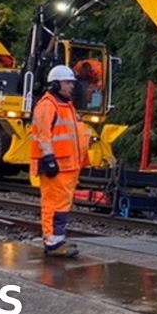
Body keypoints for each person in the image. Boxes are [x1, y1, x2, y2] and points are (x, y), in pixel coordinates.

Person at [30, 65, 90, 258]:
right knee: (53, 204)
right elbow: (43, 135)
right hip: (57, 165)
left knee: (61, 205)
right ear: (55, 84)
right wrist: (49, 159)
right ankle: (53, 241)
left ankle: (57, 238)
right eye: (67, 83)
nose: (71, 86)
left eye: (72, 83)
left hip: (68, 166)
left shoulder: (65, 105)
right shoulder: (48, 105)